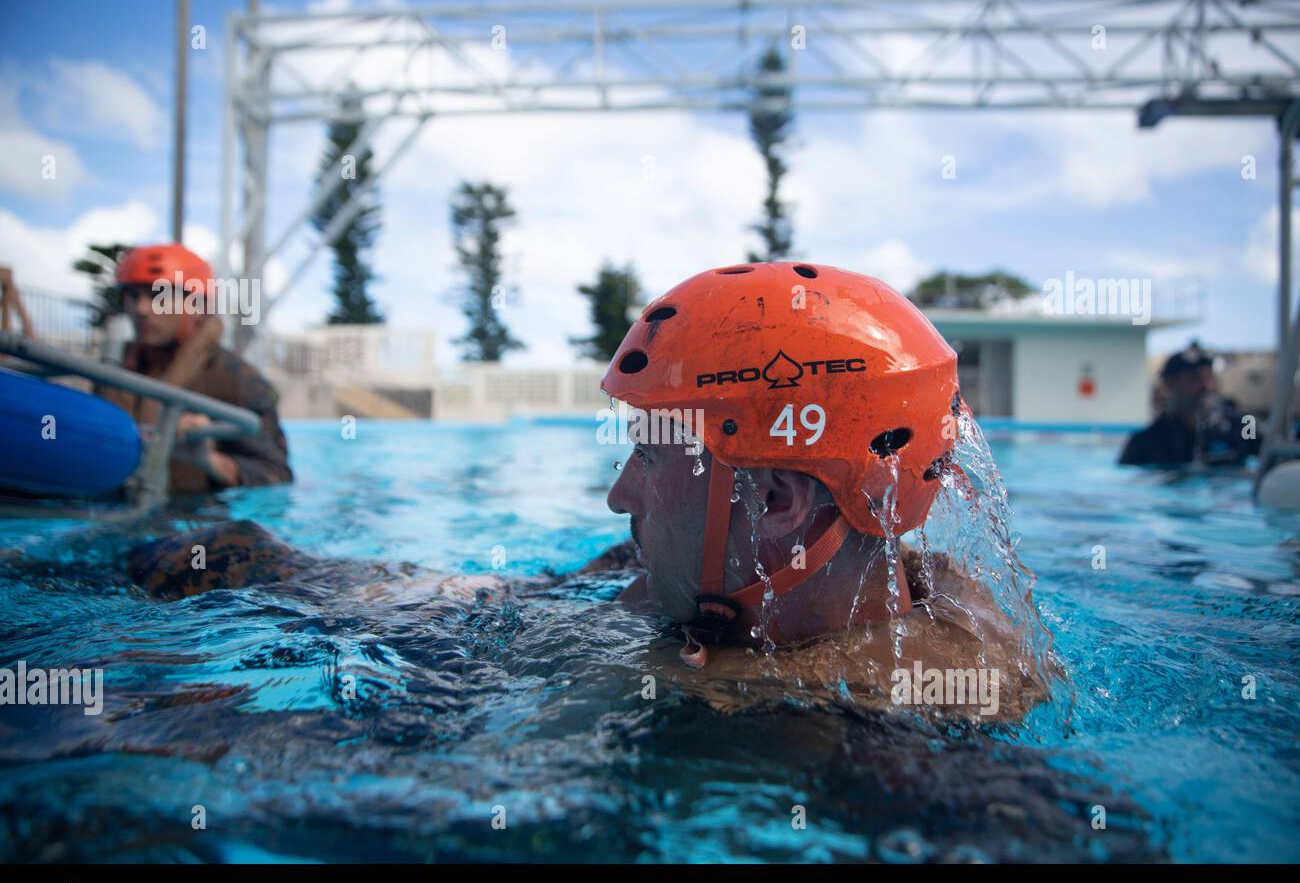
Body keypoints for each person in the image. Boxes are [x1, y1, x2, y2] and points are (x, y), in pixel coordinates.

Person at [127, 263, 1051, 720]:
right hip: (537, 613)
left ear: (778, 505)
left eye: (647, 455)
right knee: (241, 558)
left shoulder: (883, 732)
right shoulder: (861, 589)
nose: (618, 493)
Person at [98, 244, 293, 493]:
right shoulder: (114, 369)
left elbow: (278, 474)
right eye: (133, 296)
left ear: (195, 305)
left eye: (160, 296)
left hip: (198, 521)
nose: (142, 309)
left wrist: (211, 461)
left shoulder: (237, 378)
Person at [1119, 342, 1259, 467]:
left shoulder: (1243, 427)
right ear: (1169, 383)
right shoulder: (1144, 443)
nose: (1205, 386)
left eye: (1209, 377)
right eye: (1194, 379)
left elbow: (1273, 456)